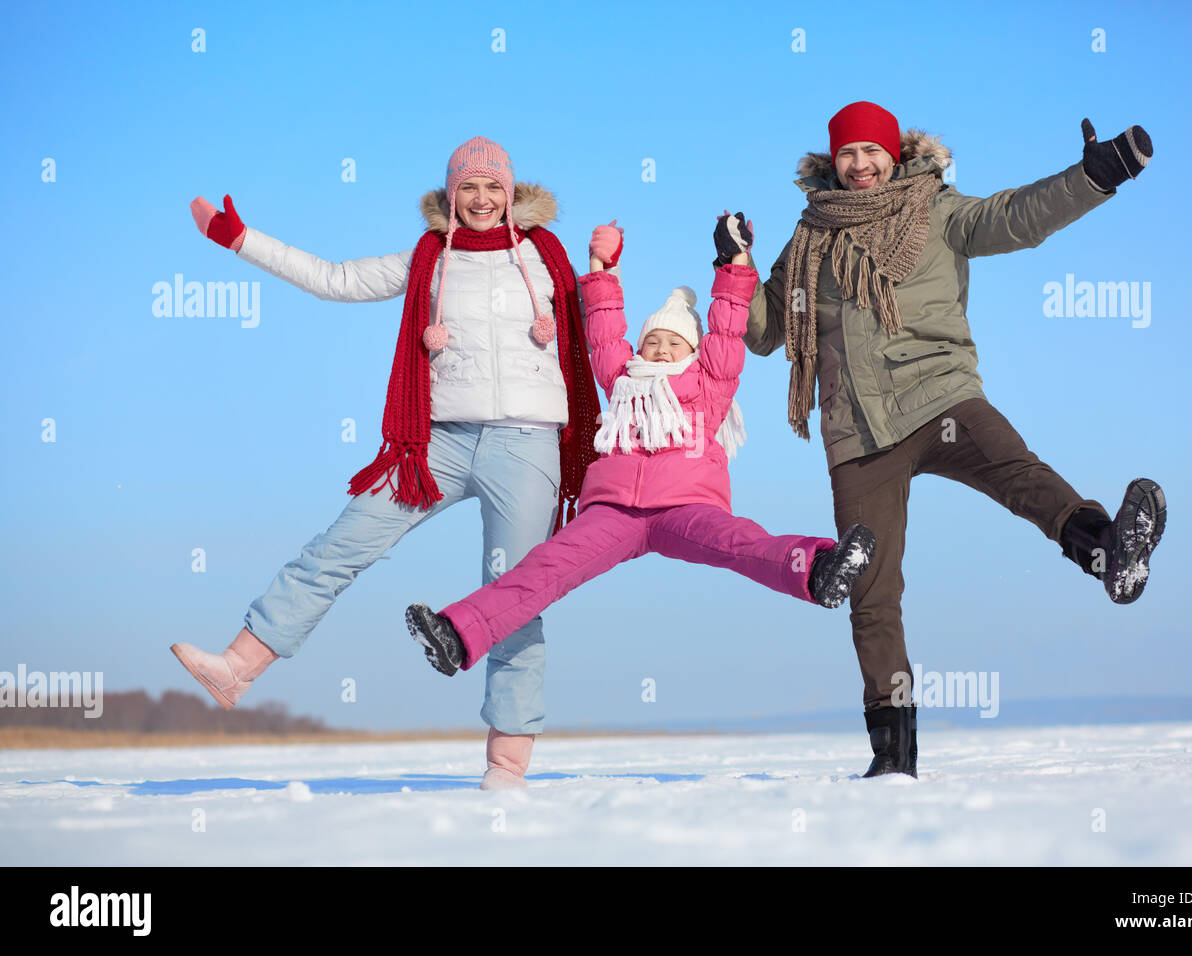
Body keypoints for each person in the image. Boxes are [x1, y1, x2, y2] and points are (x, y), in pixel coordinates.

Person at [731, 101, 1167, 778]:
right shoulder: (811, 237)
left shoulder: (934, 208)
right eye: (847, 154)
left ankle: (1109, 554)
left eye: (871, 152)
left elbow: (1014, 219)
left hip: (939, 395)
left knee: (1017, 471)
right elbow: (763, 334)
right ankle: (892, 757)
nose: (860, 165)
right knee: (872, 593)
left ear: (894, 155)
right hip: (857, 432)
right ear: (832, 162)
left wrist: (1094, 176)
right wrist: (734, 267)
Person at [170, 136, 601, 790]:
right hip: (435, 444)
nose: (481, 200)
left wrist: (611, 272)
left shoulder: (546, 259)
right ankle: (236, 666)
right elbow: (335, 279)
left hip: (528, 442)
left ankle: (507, 766)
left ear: (511, 195)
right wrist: (241, 239)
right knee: (343, 542)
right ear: (449, 196)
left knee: (515, 595)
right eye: (468, 188)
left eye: (493, 188)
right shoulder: (428, 258)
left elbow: (597, 324)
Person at [404, 219, 876, 679]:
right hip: (612, 513)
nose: (663, 349)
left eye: (675, 342)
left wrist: (734, 264)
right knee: (546, 566)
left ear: (692, 350)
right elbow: (605, 334)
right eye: (653, 341)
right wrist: (602, 269)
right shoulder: (625, 382)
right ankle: (457, 635)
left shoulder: (708, 382)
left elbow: (727, 330)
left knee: (741, 543)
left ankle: (818, 569)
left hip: (685, 508)